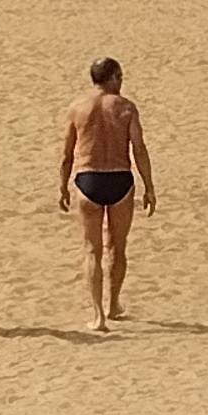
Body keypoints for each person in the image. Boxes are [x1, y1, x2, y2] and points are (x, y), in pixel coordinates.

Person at [56, 58, 156, 334]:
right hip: (119, 180)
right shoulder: (125, 107)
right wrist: (149, 185)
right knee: (117, 246)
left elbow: (67, 155)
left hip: (88, 180)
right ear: (112, 77)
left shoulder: (77, 108)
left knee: (92, 250)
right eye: (120, 77)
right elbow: (139, 149)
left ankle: (99, 316)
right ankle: (113, 305)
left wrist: (63, 186)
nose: (122, 82)